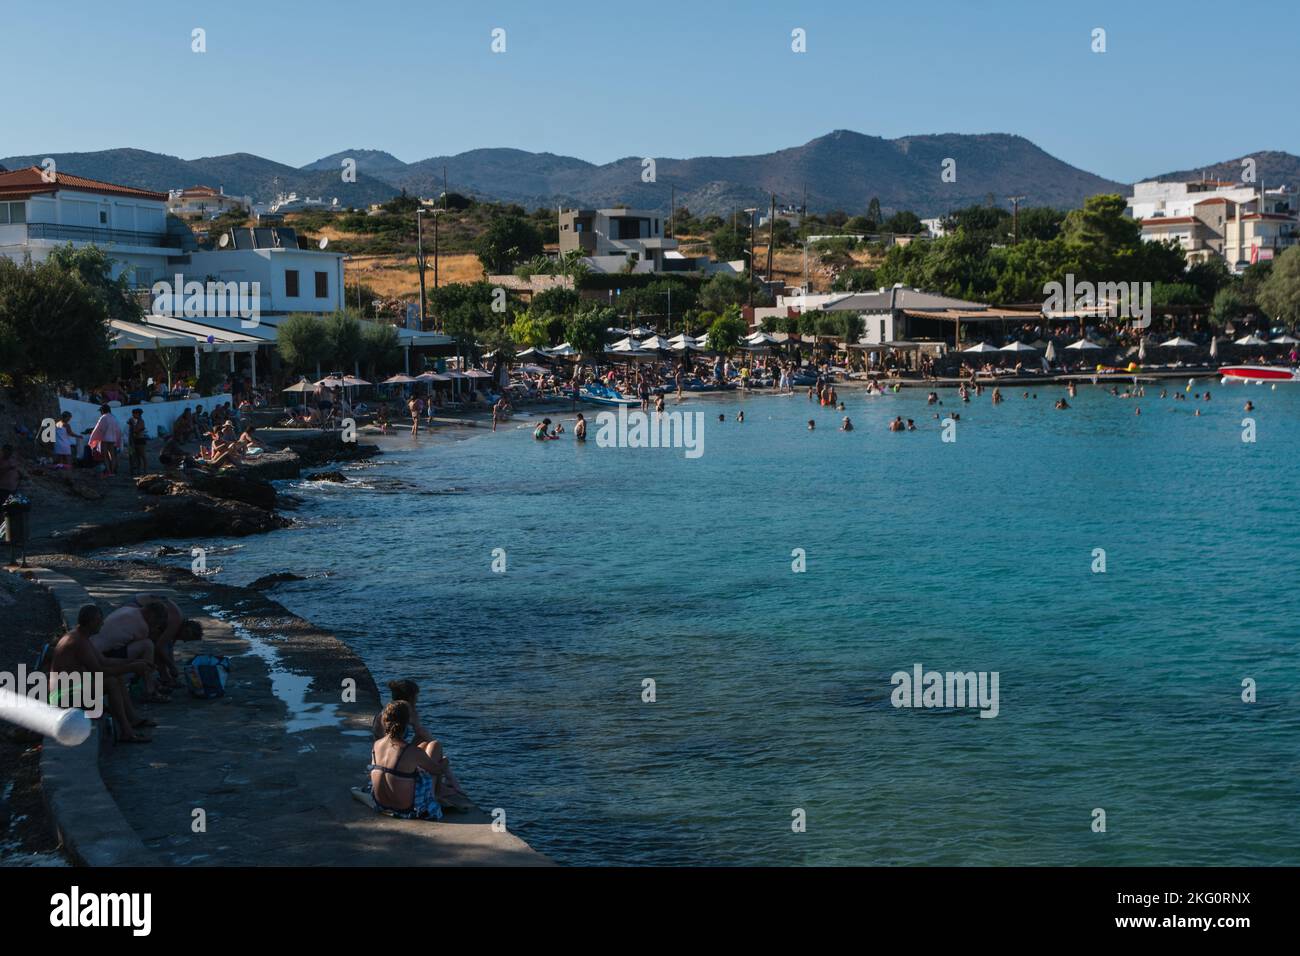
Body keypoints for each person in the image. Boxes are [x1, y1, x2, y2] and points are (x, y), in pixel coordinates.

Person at [48, 604, 155, 743]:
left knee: (117, 677)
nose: (103, 623)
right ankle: (126, 732)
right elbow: (99, 671)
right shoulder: (78, 641)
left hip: (74, 687)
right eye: (100, 621)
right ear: (92, 622)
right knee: (111, 682)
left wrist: (134, 662)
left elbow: (104, 660)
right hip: (62, 696)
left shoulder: (81, 636)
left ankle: (132, 720)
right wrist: (132, 668)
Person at [93, 602, 170, 701]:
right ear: (152, 614)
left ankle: (150, 683)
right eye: (156, 621)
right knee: (147, 645)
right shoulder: (142, 627)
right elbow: (144, 652)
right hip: (102, 656)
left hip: (95, 647)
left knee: (141, 649)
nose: (155, 624)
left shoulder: (128, 608)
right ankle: (149, 689)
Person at [127, 594, 203, 692]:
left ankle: (164, 678)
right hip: (135, 606)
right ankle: (155, 682)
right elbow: (159, 647)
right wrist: (171, 667)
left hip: (140, 605)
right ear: (186, 631)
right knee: (152, 646)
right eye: (186, 639)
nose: (183, 641)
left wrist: (172, 666)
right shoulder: (176, 622)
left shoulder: (177, 626)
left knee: (160, 646)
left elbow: (168, 648)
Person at [87, 405, 122, 476]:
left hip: (105, 438)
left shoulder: (103, 417)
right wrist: (117, 438)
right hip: (112, 439)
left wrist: (93, 438)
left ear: (103, 410)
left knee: (105, 455)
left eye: (101, 411)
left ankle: (108, 471)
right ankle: (113, 471)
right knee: (112, 455)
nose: (100, 412)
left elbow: (99, 429)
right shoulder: (114, 418)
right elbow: (118, 429)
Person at [127, 408, 149, 476]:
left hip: (139, 440)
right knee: (136, 456)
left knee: (142, 456)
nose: (133, 415)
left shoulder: (140, 421)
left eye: (135, 413)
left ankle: (145, 470)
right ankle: (138, 470)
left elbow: (137, 430)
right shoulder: (133, 420)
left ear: (139, 414)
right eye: (133, 413)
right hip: (134, 440)